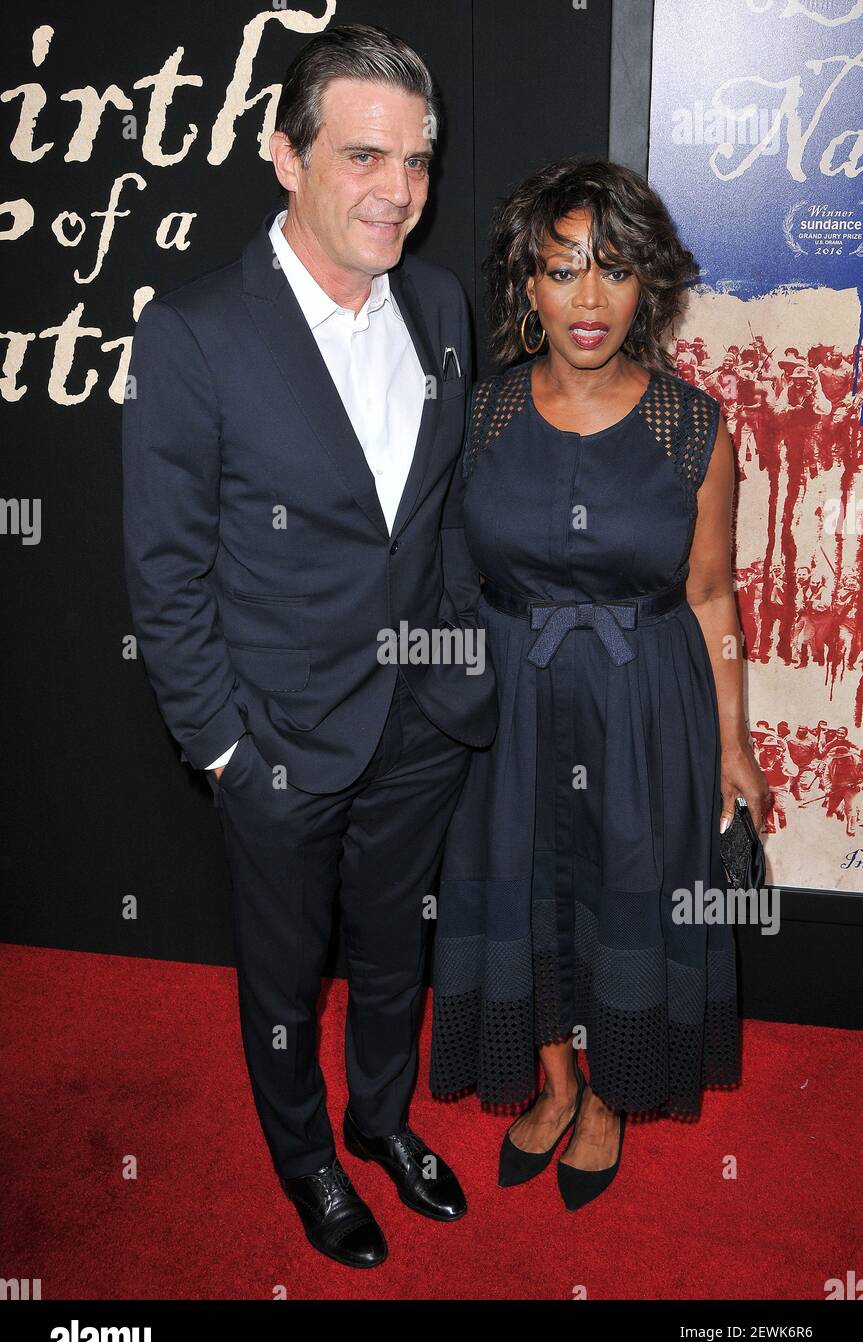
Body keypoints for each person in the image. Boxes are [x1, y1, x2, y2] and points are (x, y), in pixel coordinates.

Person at [122, 23, 497, 1269]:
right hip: (275, 740)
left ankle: (379, 1120)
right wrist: (224, 748)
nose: (397, 190)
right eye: (362, 156)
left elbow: (431, 517)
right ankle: (306, 1165)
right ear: (284, 157)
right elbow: (164, 574)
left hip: (419, 728)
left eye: (418, 162)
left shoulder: (441, 304)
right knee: (285, 982)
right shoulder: (193, 333)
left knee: (397, 954)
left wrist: (457, 670)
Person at [429, 157, 770, 1211]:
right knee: (528, 894)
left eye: (613, 270)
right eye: (561, 268)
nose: (586, 298)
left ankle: (608, 1099)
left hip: (641, 706)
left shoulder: (691, 426)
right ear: (525, 283)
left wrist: (732, 744)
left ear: (647, 288)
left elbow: (711, 596)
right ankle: (557, 1081)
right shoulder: (478, 416)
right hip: (514, 705)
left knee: (619, 893)